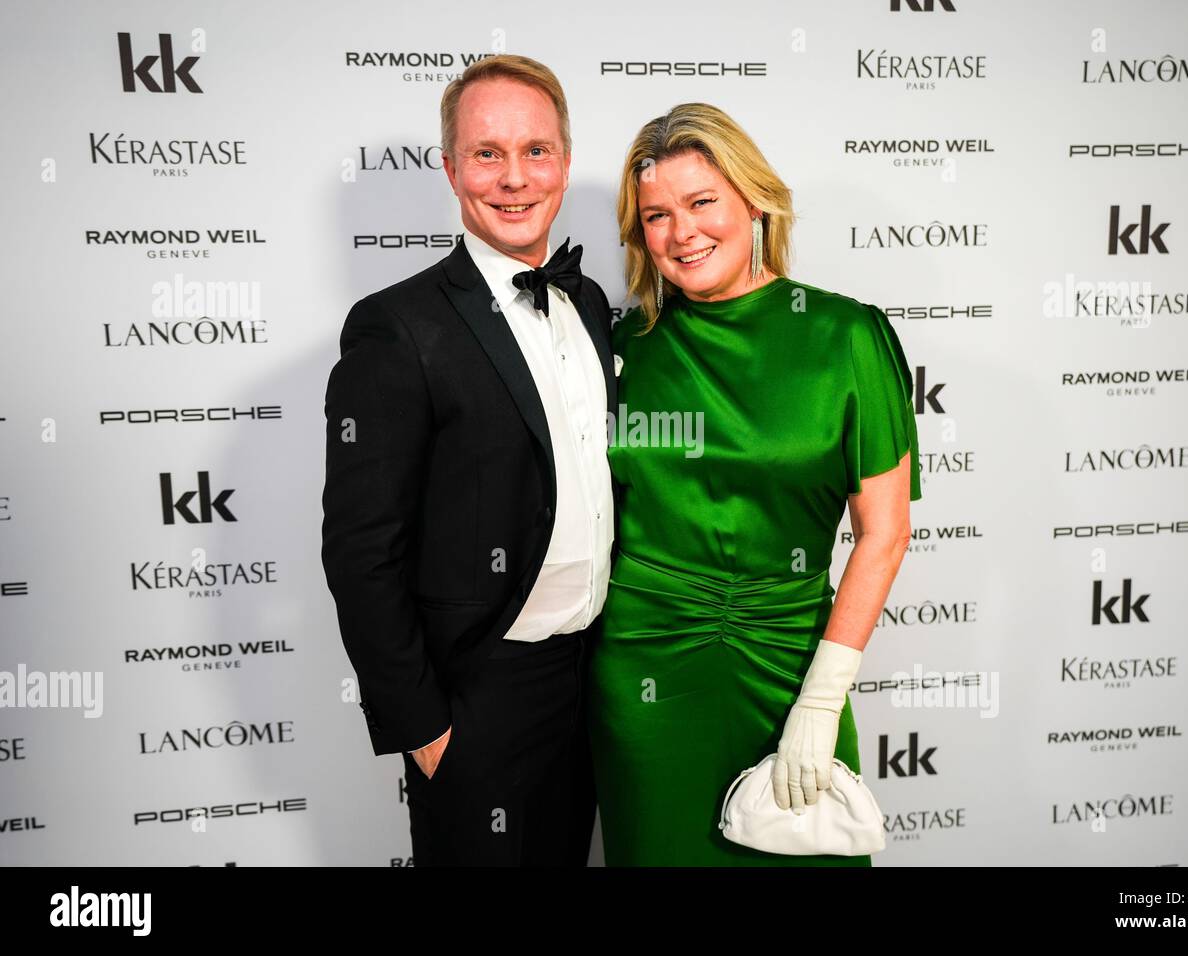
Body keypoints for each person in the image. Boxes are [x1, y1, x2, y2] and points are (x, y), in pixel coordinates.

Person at [588, 103, 922, 866]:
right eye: (656, 216)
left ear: (755, 200)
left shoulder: (846, 336)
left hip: (792, 665)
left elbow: (886, 530)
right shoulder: (620, 348)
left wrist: (822, 697)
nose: (682, 232)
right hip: (645, 671)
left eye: (703, 202)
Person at [321, 54, 616, 866]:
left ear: (564, 160)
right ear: (451, 168)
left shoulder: (588, 303)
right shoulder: (397, 328)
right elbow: (360, 548)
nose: (514, 178)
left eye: (536, 151)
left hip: (593, 679)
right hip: (478, 698)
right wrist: (426, 729)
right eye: (487, 153)